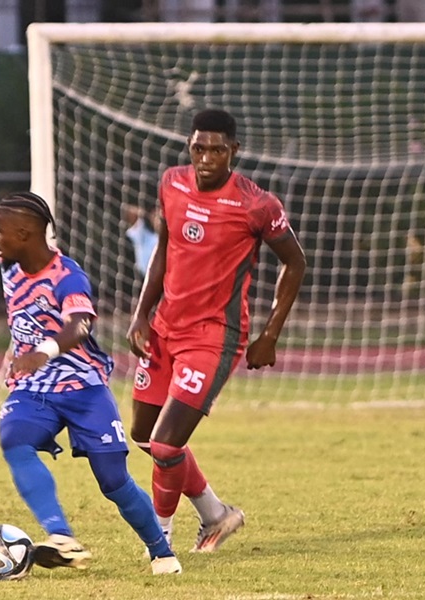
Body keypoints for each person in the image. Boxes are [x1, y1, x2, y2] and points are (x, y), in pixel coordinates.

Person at [127, 109, 307, 553]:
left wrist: (270, 335)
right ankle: (215, 514)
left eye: (217, 149)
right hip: (165, 329)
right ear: (189, 146)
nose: (206, 157)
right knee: (144, 437)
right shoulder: (171, 182)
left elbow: (295, 262)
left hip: (214, 337)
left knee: (167, 446)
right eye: (199, 147)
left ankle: (159, 541)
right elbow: (164, 249)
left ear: (234, 152)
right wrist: (142, 312)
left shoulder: (256, 205)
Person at [0, 191, 181, 575]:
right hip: (34, 389)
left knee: (113, 481)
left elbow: (80, 324)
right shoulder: (10, 266)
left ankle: (161, 551)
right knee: (13, 435)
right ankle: (60, 537)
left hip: (84, 389)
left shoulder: (67, 276)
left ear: (25, 234)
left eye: (0, 230)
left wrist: (42, 351)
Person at [123, 203, 160, 278]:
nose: (157, 220)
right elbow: (131, 213)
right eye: (155, 216)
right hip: (152, 278)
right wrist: (144, 214)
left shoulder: (159, 237)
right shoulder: (142, 237)